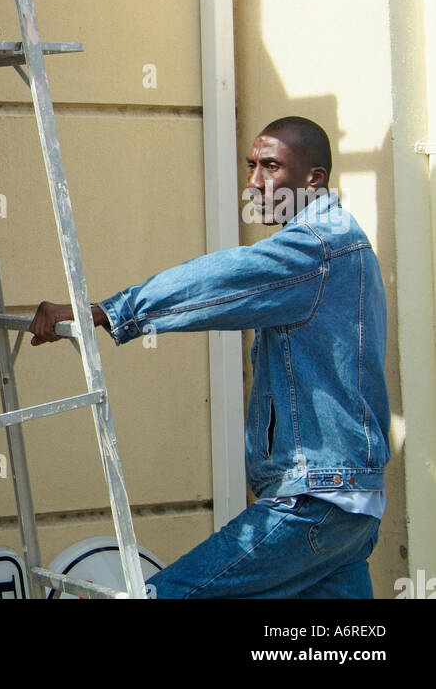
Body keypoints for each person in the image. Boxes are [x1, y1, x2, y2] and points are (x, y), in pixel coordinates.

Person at [29, 116, 391, 598]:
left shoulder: (317, 248)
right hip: (350, 510)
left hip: (315, 500)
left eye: (270, 167)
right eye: (250, 166)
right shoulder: (341, 242)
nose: (254, 182)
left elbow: (223, 279)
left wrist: (108, 311)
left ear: (313, 179)